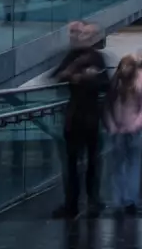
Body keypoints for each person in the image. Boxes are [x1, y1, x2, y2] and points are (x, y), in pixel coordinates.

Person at [51, 22, 110, 219]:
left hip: (86, 116)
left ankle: (89, 201)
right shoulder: (75, 57)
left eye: (83, 33)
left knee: (89, 162)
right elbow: (58, 76)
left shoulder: (94, 57)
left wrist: (82, 78)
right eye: (76, 32)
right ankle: (76, 203)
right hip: (78, 116)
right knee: (75, 163)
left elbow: (105, 84)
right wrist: (77, 76)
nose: (77, 36)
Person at [104, 54, 142, 215]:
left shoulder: (116, 82)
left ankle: (123, 200)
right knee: (131, 164)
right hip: (128, 129)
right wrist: (136, 124)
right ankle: (128, 200)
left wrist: (114, 126)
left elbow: (108, 106)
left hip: (123, 128)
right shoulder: (141, 81)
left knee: (120, 165)